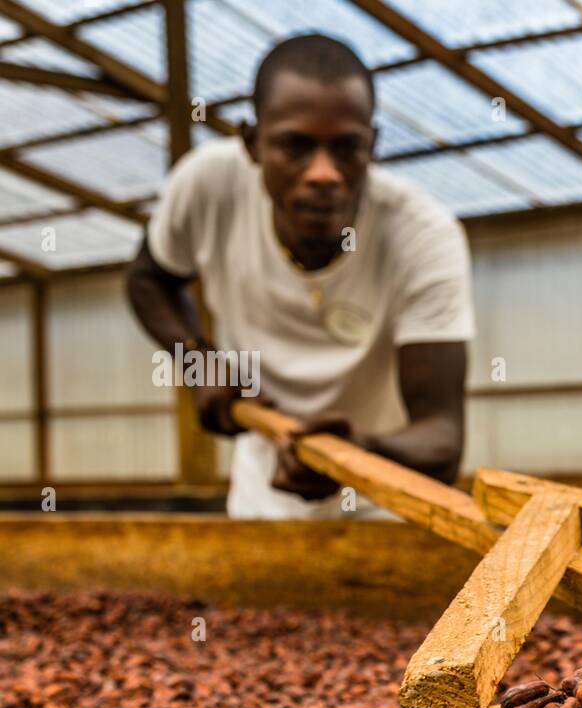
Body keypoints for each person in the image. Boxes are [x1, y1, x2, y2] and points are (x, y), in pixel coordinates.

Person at [126, 34, 472, 517]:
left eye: (347, 148)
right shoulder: (207, 186)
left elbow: (442, 440)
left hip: (386, 505)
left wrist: (352, 455)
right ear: (251, 143)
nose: (324, 174)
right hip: (261, 502)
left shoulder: (424, 236)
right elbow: (148, 279)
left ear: (373, 146)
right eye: (296, 146)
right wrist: (199, 362)